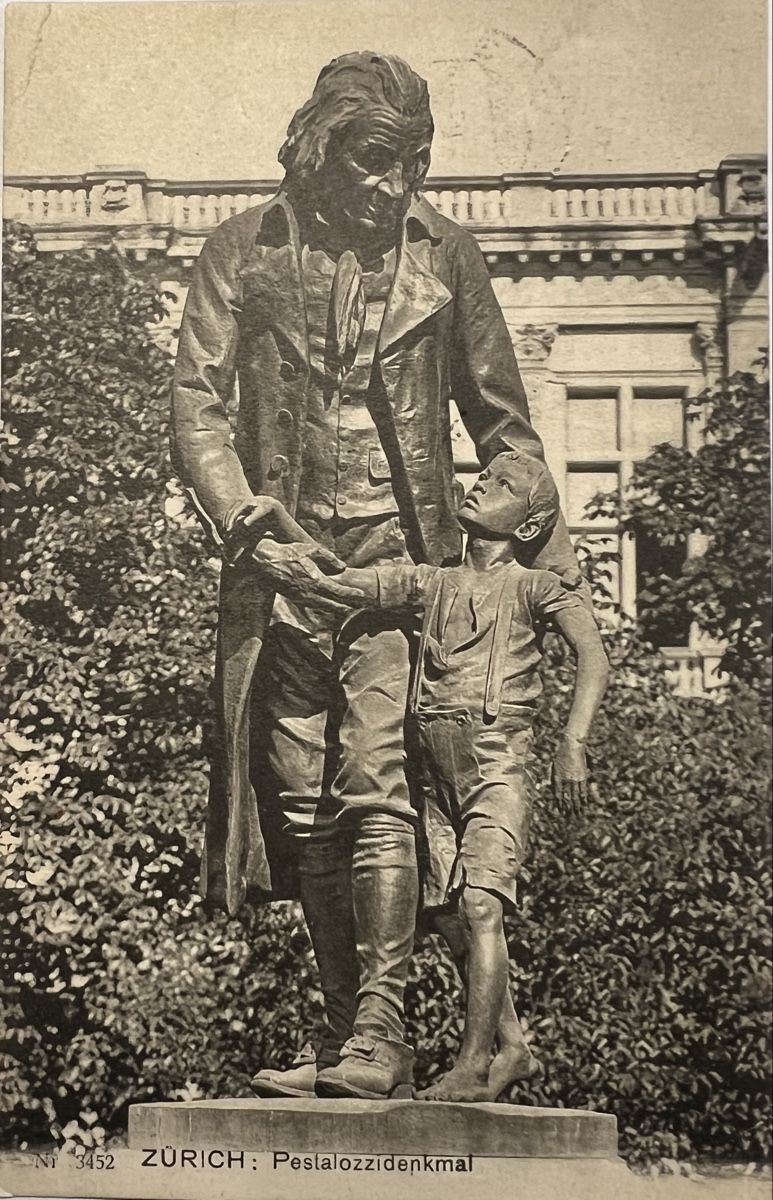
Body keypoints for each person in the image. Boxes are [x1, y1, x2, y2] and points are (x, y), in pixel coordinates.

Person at [171, 51, 585, 1102]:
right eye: (371, 163)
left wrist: (516, 577)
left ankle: (381, 1032)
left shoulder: (446, 257)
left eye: (411, 166)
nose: (392, 188)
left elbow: (506, 430)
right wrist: (241, 522)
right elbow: (196, 405)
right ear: (319, 151)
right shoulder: (240, 252)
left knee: (378, 790)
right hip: (284, 572)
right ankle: (344, 1033)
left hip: (405, 573)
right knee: (302, 804)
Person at [255, 450, 609, 1101]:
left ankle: (475, 1065)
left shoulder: (535, 585)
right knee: (448, 916)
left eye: (502, 485)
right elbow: (340, 581)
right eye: (486, 474)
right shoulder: (433, 582)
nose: (481, 484)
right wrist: (280, 523)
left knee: (479, 906)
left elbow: (592, 652)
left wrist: (573, 741)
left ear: (528, 526)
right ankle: (514, 1049)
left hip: (493, 768)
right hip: (435, 774)